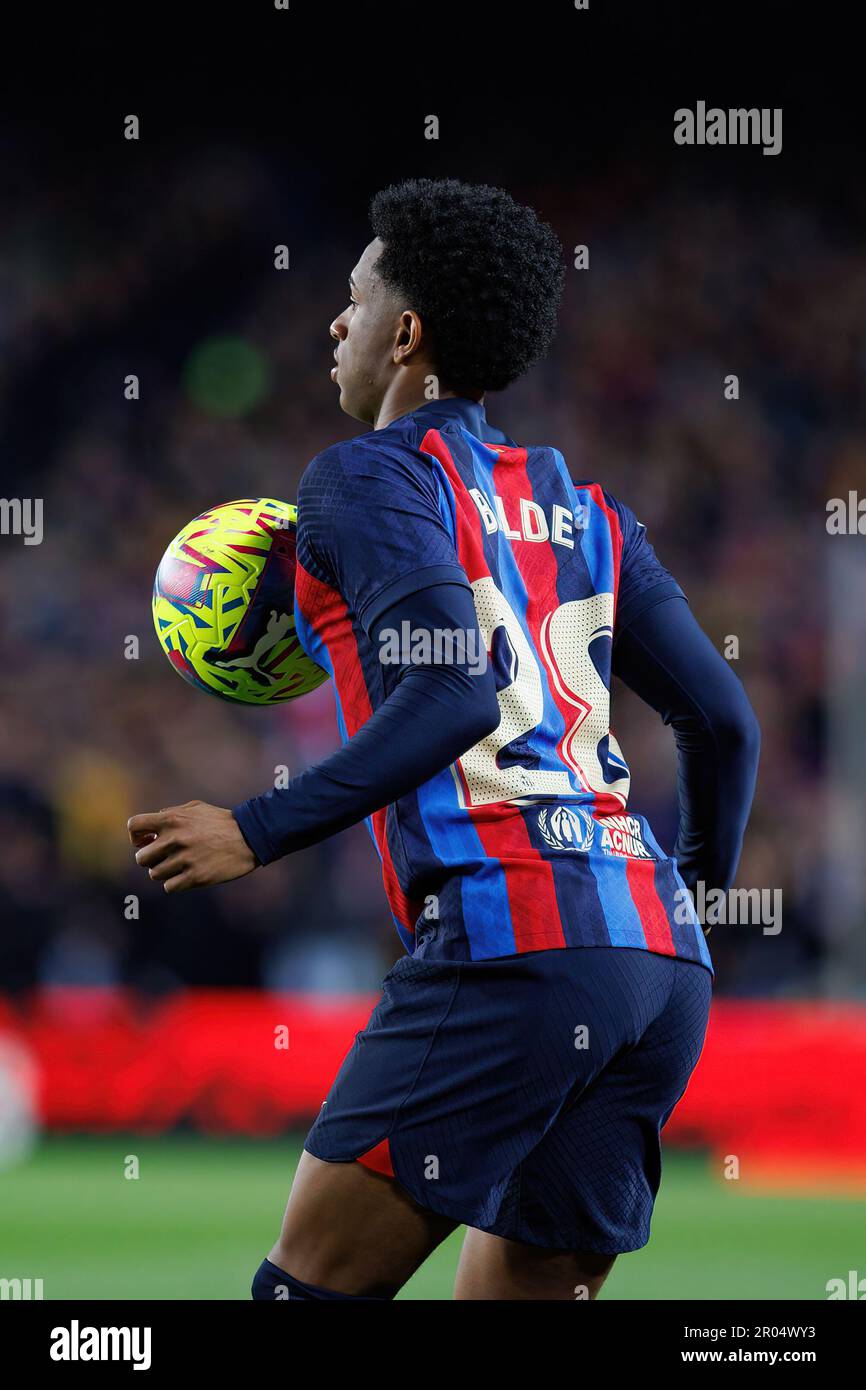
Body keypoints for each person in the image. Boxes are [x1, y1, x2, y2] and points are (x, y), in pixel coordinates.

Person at [129, 178, 760, 1300]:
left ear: (406, 333)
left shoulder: (364, 477)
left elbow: (455, 696)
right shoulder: (589, 507)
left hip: (509, 944)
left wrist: (255, 828)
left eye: (356, 297)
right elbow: (721, 722)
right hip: (657, 968)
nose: (335, 323)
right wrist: (688, 895)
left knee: (305, 1292)